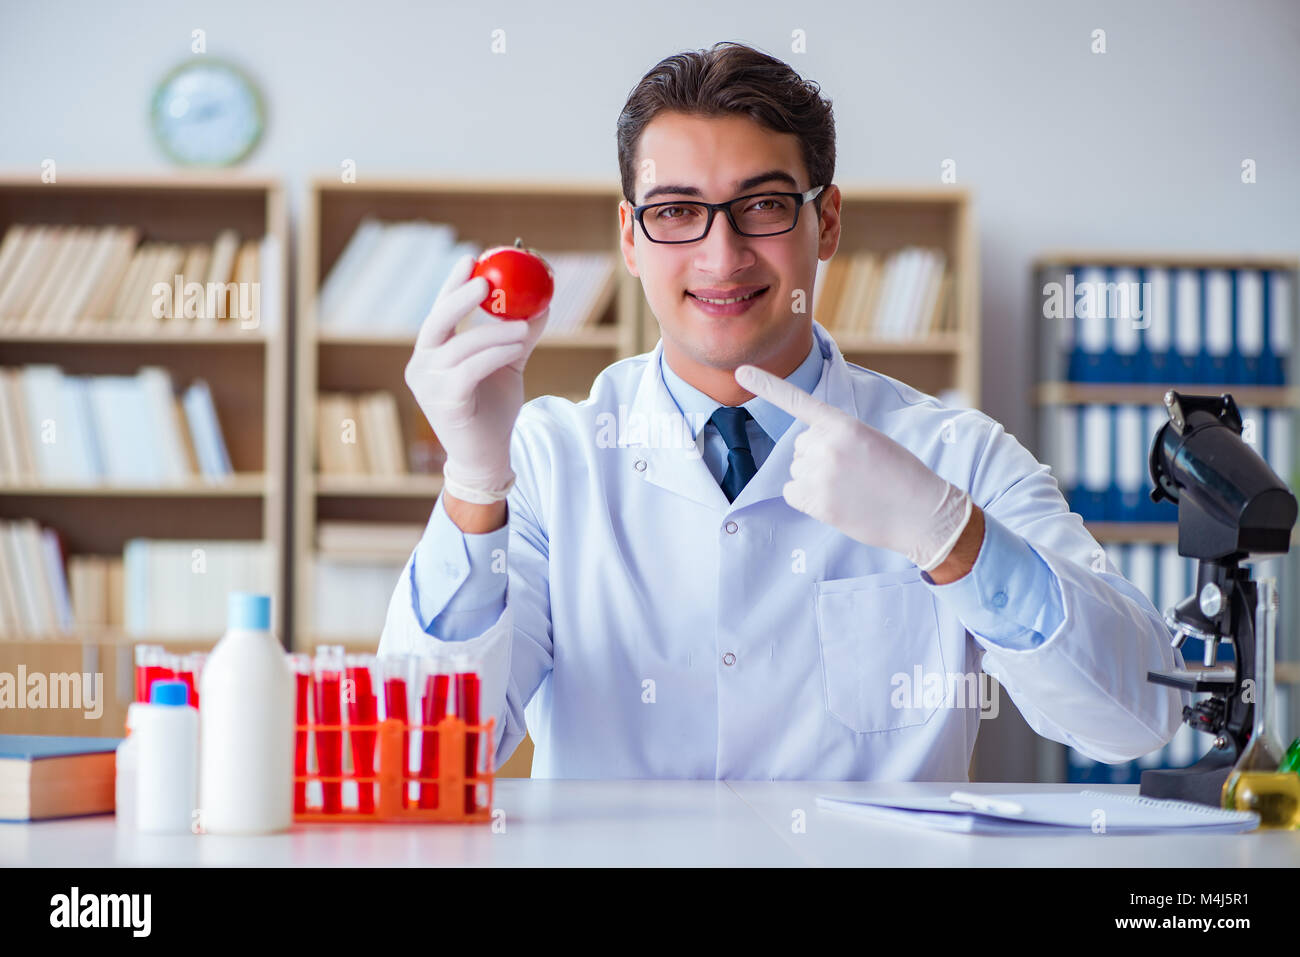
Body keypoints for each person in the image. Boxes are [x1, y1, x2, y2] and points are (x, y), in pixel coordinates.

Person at [378, 41, 1185, 780]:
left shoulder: (955, 457)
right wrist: (475, 485)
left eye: (762, 205)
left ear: (825, 221)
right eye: (675, 211)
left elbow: (1137, 716)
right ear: (630, 237)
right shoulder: (550, 461)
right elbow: (426, 754)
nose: (721, 255)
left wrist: (952, 539)